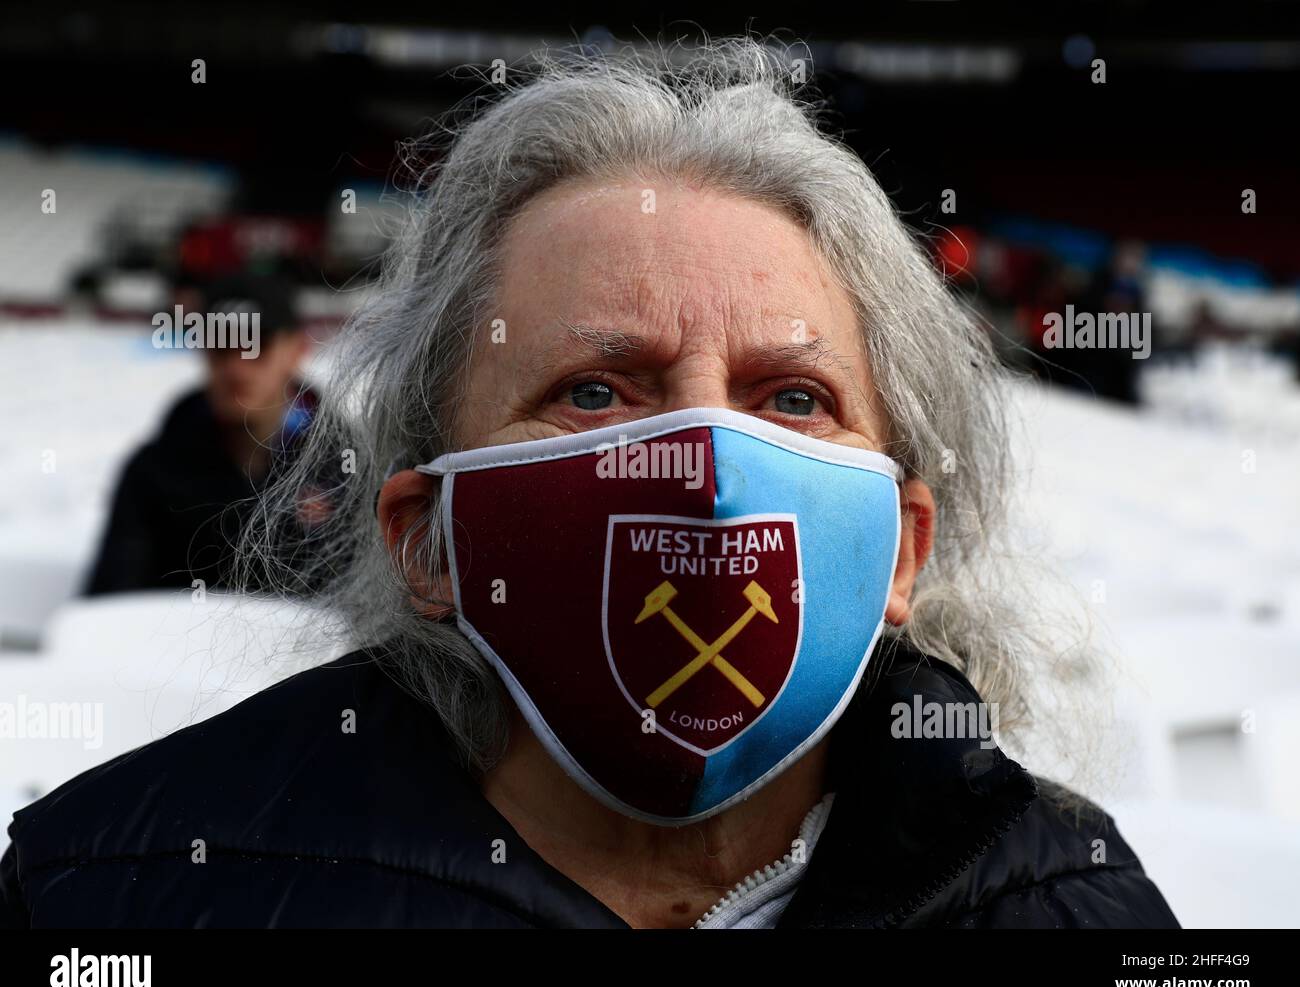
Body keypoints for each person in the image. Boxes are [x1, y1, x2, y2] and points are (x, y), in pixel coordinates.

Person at [2, 38, 1178, 929]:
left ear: (902, 549)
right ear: (429, 537)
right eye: (598, 391)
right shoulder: (112, 898)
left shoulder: (1079, 909)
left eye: (792, 397)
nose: (704, 464)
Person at [82, 274, 319, 596]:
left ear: (297, 350)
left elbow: (368, 613)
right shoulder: (153, 472)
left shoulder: (346, 469)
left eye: (257, 346)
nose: (237, 367)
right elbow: (109, 603)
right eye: (222, 347)